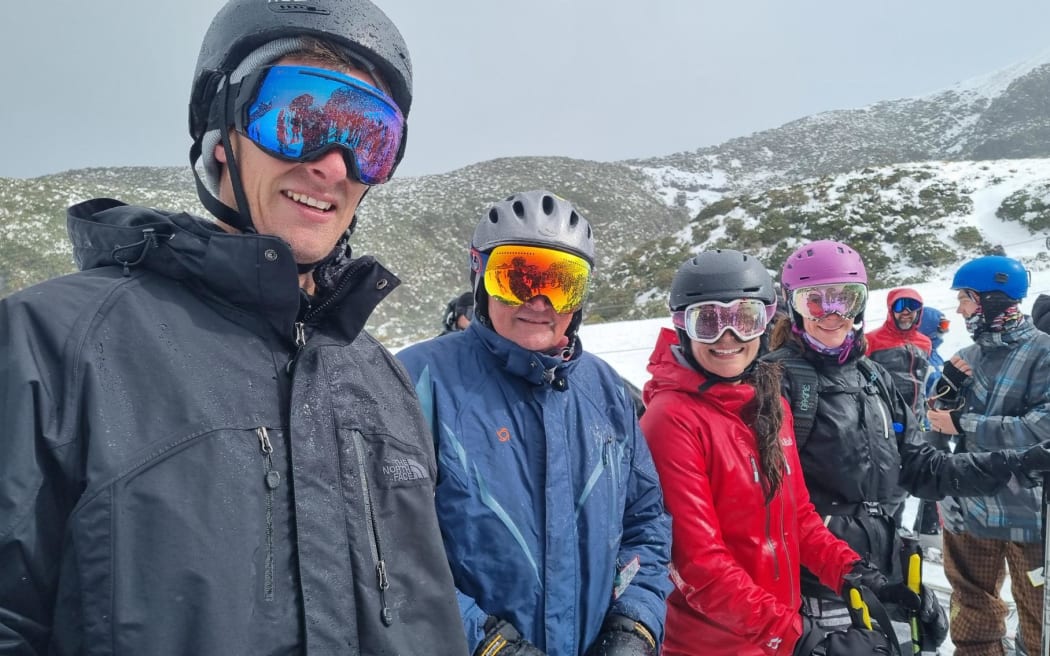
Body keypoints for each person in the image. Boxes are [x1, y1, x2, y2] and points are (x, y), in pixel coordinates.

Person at [0, 1, 470, 653]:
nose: (333, 165)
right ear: (222, 132)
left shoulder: (382, 379)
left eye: (370, 137)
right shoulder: (53, 346)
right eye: (299, 117)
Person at [397, 190, 672, 656]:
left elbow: (644, 522)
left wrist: (634, 625)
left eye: (562, 283)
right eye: (517, 278)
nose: (540, 301)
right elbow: (389, 546)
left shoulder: (605, 391)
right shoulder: (417, 382)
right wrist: (486, 644)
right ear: (481, 276)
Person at [764, 240, 1050, 651]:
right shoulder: (775, 382)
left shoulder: (871, 377)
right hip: (810, 586)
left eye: (846, 299)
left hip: (878, 574)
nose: (833, 314)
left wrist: (1016, 463)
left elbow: (920, 466)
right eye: (815, 302)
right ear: (794, 306)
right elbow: (763, 507)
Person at [640, 249, 902, 656]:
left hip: (772, 633)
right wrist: (802, 639)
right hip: (712, 645)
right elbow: (698, 565)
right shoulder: (671, 420)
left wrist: (853, 573)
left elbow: (798, 517)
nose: (729, 338)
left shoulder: (768, 403)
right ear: (682, 328)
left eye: (744, 320)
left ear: (765, 324)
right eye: (708, 322)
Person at [927, 255, 1050, 656]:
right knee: (973, 618)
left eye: (966, 298)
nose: (960, 309)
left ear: (994, 301)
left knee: (1039, 620)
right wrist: (944, 391)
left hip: (1030, 516)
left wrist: (964, 422)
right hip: (969, 509)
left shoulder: (1044, 353)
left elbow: (1042, 428)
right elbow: (934, 423)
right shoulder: (968, 356)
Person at [865, 287, 932, 417]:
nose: (906, 312)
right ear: (891, 310)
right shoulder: (870, 340)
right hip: (884, 416)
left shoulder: (925, 342)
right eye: (900, 306)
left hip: (916, 416)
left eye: (912, 306)